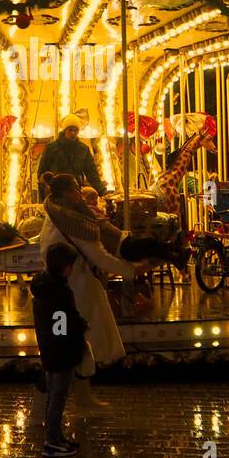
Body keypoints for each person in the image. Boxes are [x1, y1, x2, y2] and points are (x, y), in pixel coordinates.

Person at [39, 173, 148, 405]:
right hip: (77, 289)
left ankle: (77, 395)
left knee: (71, 342)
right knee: (79, 341)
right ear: (65, 194)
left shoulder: (54, 216)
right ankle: (70, 399)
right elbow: (98, 256)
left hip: (64, 290)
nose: (79, 193)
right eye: (74, 189)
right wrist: (132, 270)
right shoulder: (76, 224)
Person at [30, 243, 88, 458]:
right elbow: (61, 324)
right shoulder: (57, 292)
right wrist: (80, 326)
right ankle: (52, 441)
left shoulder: (45, 287)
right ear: (65, 266)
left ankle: (55, 437)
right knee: (58, 397)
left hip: (51, 350)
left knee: (54, 395)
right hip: (61, 353)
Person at [37, 114, 106, 200]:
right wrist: (44, 195)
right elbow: (42, 173)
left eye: (76, 130)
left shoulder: (83, 150)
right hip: (56, 193)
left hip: (75, 192)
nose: (73, 133)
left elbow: (92, 174)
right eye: (70, 130)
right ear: (65, 130)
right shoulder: (51, 148)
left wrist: (103, 191)